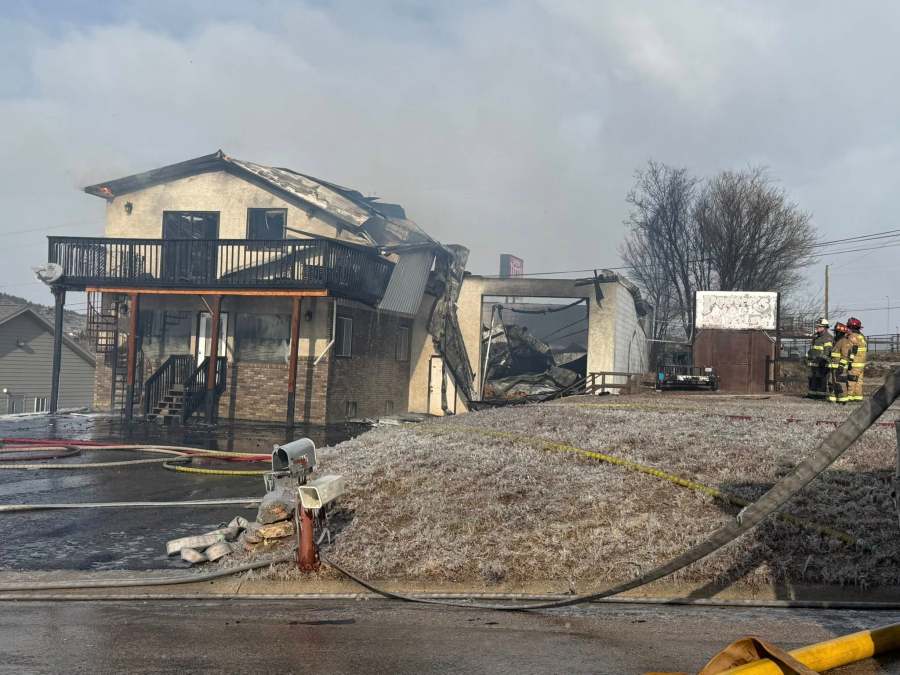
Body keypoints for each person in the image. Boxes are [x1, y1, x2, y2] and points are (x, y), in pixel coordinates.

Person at [805, 318, 832, 399]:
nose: (817, 328)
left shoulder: (828, 338)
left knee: (822, 379)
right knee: (813, 379)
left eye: (819, 326)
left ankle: (821, 396)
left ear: (824, 327)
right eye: (817, 326)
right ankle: (812, 394)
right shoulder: (816, 337)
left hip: (822, 363)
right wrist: (807, 357)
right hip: (814, 363)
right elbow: (812, 349)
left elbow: (827, 352)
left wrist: (823, 361)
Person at [828, 322, 852, 403]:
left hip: (840, 367)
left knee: (840, 383)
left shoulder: (844, 341)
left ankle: (843, 400)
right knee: (832, 383)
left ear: (840, 332)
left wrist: (841, 366)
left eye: (836, 332)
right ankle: (833, 399)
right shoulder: (836, 341)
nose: (835, 333)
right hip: (833, 366)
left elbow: (845, 356)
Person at [845, 317, 867, 401]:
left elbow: (849, 350)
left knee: (851, 380)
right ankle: (857, 397)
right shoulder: (862, 337)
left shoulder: (852, 337)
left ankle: (850, 397)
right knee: (859, 381)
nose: (847, 329)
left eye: (848, 327)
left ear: (851, 327)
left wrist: (848, 361)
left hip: (854, 363)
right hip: (861, 363)